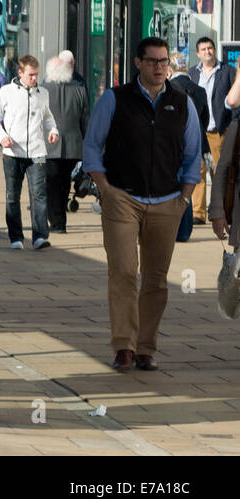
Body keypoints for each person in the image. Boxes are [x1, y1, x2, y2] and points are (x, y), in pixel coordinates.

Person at [82, 36, 201, 372]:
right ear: (138, 63)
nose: (160, 67)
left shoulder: (182, 103)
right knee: (122, 272)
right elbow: (92, 145)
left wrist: (186, 196)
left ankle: (146, 348)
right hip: (122, 198)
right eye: (153, 61)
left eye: (164, 61)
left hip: (168, 201)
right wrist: (104, 187)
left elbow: (193, 154)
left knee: (156, 279)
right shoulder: (114, 99)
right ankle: (124, 346)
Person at [0, 54, 60, 250]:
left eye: (37, 75)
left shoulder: (42, 93)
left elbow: (48, 116)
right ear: (20, 73)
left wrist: (53, 130)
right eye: (31, 75)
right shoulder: (6, 92)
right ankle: (16, 237)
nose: (35, 79)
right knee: (12, 196)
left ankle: (40, 236)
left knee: (39, 195)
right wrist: (2, 136)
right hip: (13, 153)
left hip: (37, 151)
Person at [189, 36, 235, 225]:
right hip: (198, 130)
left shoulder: (228, 71)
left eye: (210, 48)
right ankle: (198, 213)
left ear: (214, 50)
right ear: (198, 53)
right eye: (204, 49)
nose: (208, 51)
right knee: (197, 171)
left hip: (219, 129)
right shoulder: (192, 73)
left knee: (220, 171)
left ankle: (223, 212)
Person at [42, 54, 88, 234]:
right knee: (63, 183)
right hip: (73, 145)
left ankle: (56, 221)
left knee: (52, 183)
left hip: (49, 144)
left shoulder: (42, 89)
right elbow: (85, 119)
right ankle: (59, 221)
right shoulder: (80, 89)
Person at [169, 53, 210, 241]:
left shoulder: (168, 89)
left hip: (173, 145)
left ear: (170, 69)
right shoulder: (199, 90)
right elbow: (205, 120)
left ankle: (175, 229)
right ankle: (185, 230)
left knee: (172, 186)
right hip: (194, 144)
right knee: (188, 184)